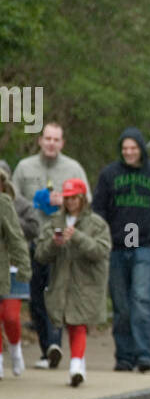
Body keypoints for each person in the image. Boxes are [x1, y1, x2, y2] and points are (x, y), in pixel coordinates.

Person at [92, 128, 150, 372]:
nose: (129, 152)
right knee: (121, 306)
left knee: (141, 299)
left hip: (146, 245)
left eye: (133, 148)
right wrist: (100, 239)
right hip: (117, 246)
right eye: (125, 148)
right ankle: (124, 356)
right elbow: (99, 210)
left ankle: (143, 355)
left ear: (141, 149)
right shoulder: (109, 175)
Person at [12, 122, 90, 369]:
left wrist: (66, 202)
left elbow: (88, 202)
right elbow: (10, 202)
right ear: (40, 141)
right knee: (37, 298)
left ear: (62, 143)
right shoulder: (25, 168)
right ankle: (47, 350)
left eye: (56, 140)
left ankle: (55, 345)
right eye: (47, 139)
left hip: (62, 243)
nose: (51, 144)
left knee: (56, 295)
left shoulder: (73, 168)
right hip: (34, 243)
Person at [34, 179, 111, 385]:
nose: (71, 202)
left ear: (83, 198)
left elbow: (101, 251)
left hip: (86, 283)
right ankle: (77, 363)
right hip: (61, 282)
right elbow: (40, 255)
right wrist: (54, 244)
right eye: (67, 198)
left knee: (78, 323)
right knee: (65, 321)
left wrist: (77, 237)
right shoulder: (53, 223)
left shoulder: (96, 223)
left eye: (75, 198)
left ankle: (76, 365)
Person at [0, 175, 32, 380]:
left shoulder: (5, 203)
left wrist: (24, 267)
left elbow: (16, 237)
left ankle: (15, 349)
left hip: (7, 269)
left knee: (10, 317)